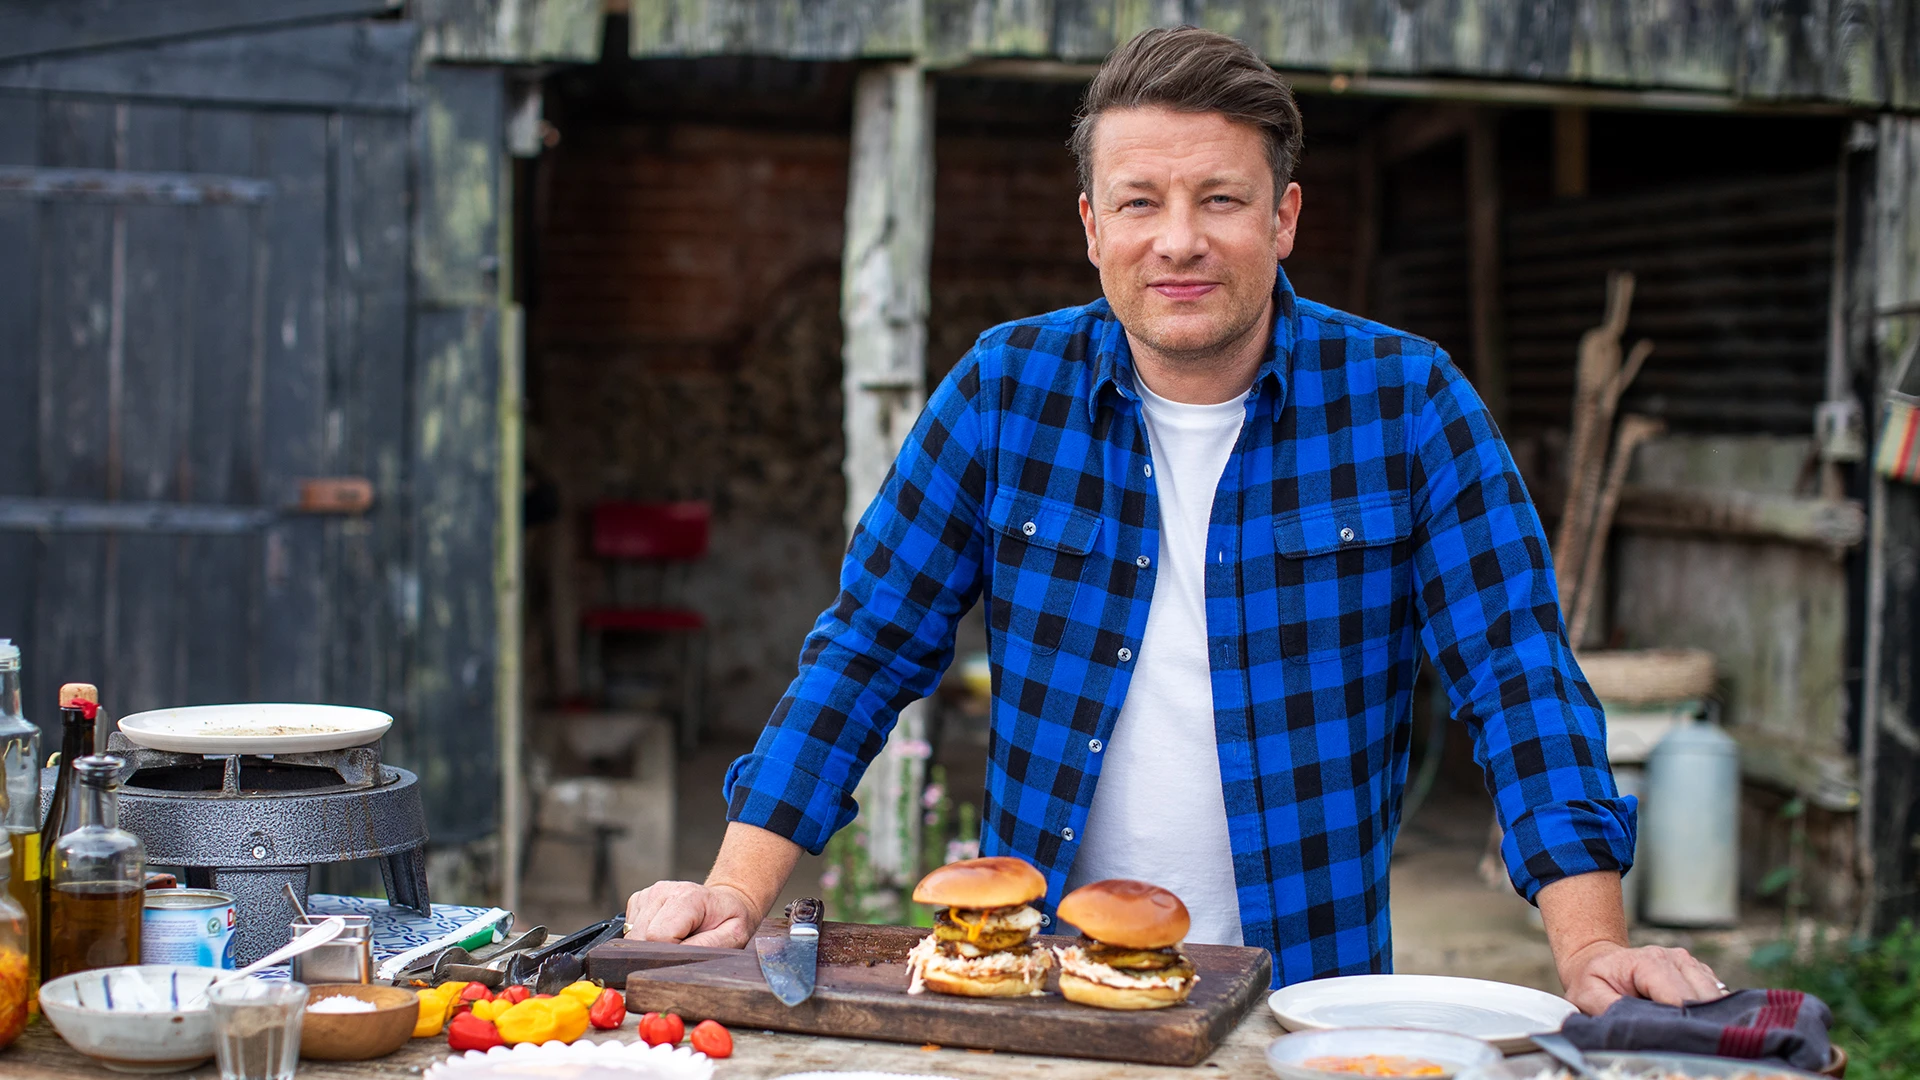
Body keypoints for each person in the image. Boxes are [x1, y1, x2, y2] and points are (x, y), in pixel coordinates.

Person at [625, 25, 1726, 1013]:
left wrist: (1591, 950)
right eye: (1141, 201)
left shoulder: (1409, 400)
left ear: (1284, 216)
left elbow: (1518, 673)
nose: (1179, 241)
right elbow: (866, 647)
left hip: (1310, 993)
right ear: (1093, 224)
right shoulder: (1006, 389)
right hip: (1042, 987)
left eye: (1221, 199)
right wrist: (732, 893)